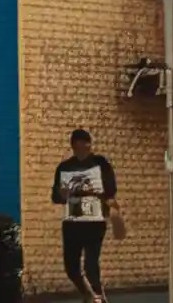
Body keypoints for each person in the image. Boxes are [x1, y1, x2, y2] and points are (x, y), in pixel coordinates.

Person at [52, 129, 117, 303]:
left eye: (86, 147)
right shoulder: (64, 167)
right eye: (78, 147)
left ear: (89, 146)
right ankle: (89, 295)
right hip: (72, 223)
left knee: (90, 265)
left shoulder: (100, 163)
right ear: (73, 147)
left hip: (94, 222)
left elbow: (111, 190)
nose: (82, 151)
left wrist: (97, 192)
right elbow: (55, 197)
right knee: (71, 267)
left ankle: (98, 298)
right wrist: (62, 194)